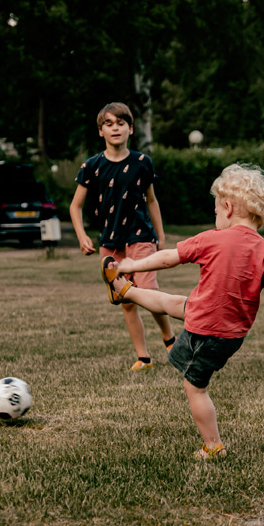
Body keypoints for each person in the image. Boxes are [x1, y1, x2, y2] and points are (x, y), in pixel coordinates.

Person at [101, 163, 264, 460]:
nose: (215, 216)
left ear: (228, 207)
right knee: (176, 303)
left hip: (208, 331)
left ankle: (213, 446)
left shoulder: (212, 238)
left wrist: (132, 264)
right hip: (230, 331)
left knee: (194, 386)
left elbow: (169, 258)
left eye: (215, 211)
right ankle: (124, 291)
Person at [69, 102, 175, 371]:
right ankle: (143, 358)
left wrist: (160, 237)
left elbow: (152, 201)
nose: (115, 128)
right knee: (127, 300)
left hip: (141, 237)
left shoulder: (142, 162)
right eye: (108, 124)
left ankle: (169, 338)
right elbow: (75, 206)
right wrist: (82, 236)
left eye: (120, 123)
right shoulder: (91, 166)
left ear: (130, 129)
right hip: (110, 242)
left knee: (148, 291)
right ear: (100, 131)